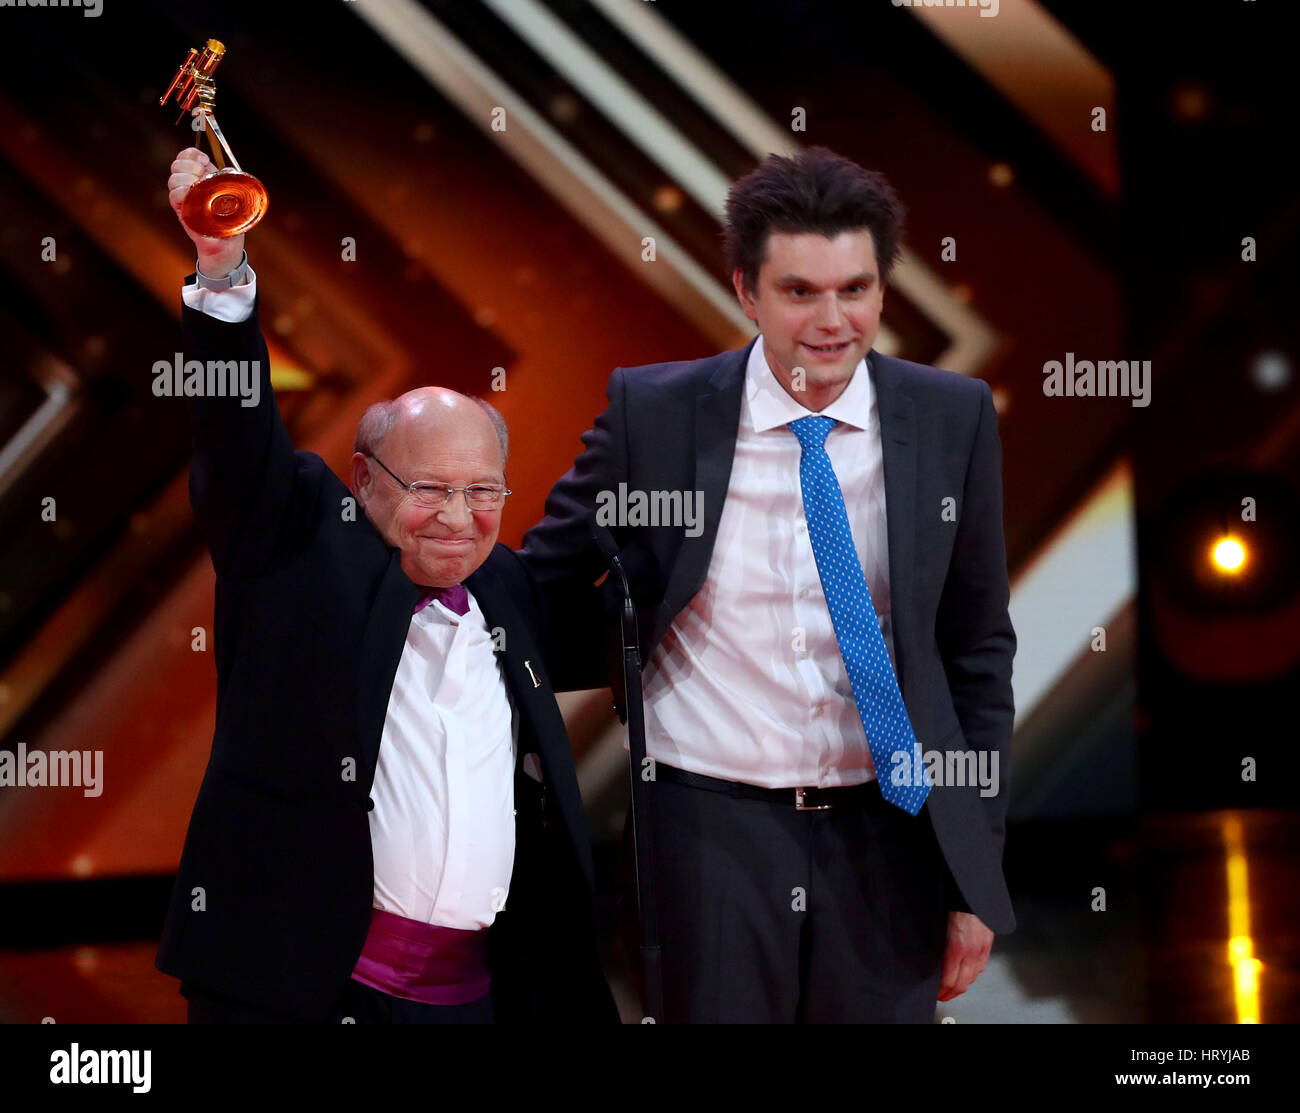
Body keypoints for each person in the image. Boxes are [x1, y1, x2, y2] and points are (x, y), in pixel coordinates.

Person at [519, 147, 1017, 1023]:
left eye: (855, 289)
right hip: (706, 832)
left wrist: (971, 870)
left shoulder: (950, 415)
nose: (833, 320)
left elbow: (976, 648)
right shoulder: (657, 416)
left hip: (892, 830)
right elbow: (541, 583)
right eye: (800, 292)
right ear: (746, 292)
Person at [154, 146, 617, 1024]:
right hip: (306, 992)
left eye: (482, 492)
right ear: (364, 480)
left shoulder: (509, 590)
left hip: (477, 1000)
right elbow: (239, 445)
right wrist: (222, 272)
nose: (456, 515)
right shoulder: (299, 555)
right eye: (429, 488)